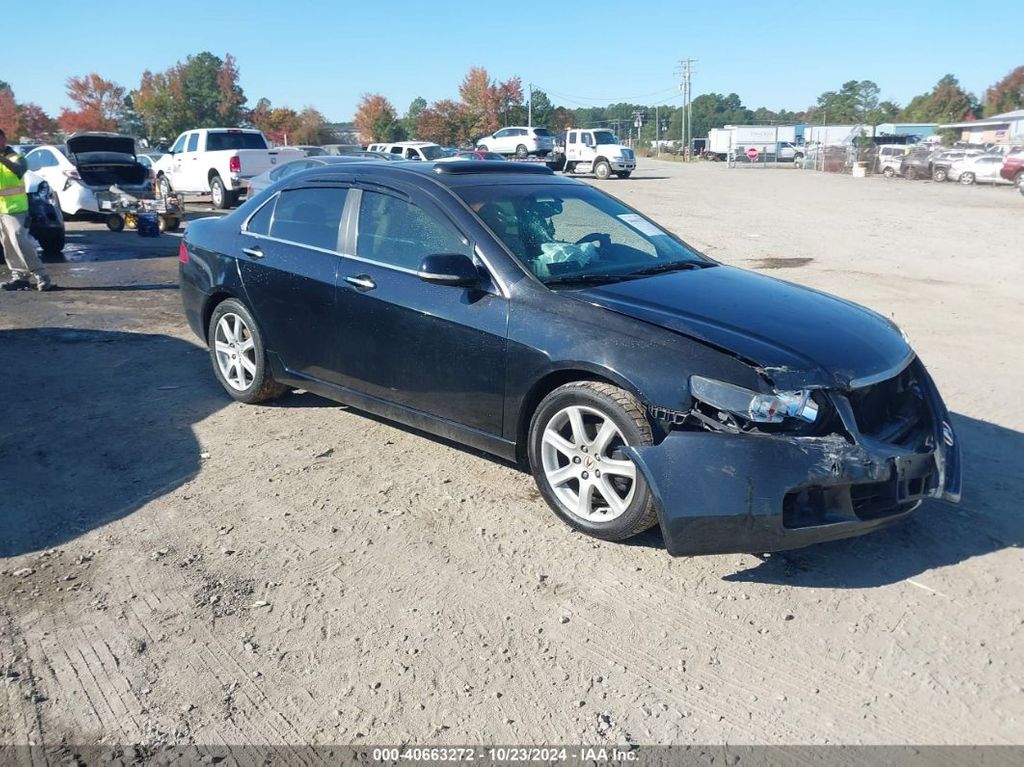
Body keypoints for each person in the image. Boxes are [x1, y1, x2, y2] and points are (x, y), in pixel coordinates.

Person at [0, 128, 54, 291]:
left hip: (17, 210)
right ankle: (19, 277)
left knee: (21, 242)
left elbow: (18, 170)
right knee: (8, 244)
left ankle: (41, 275)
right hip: (2, 210)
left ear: (3, 139)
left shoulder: (18, 158)